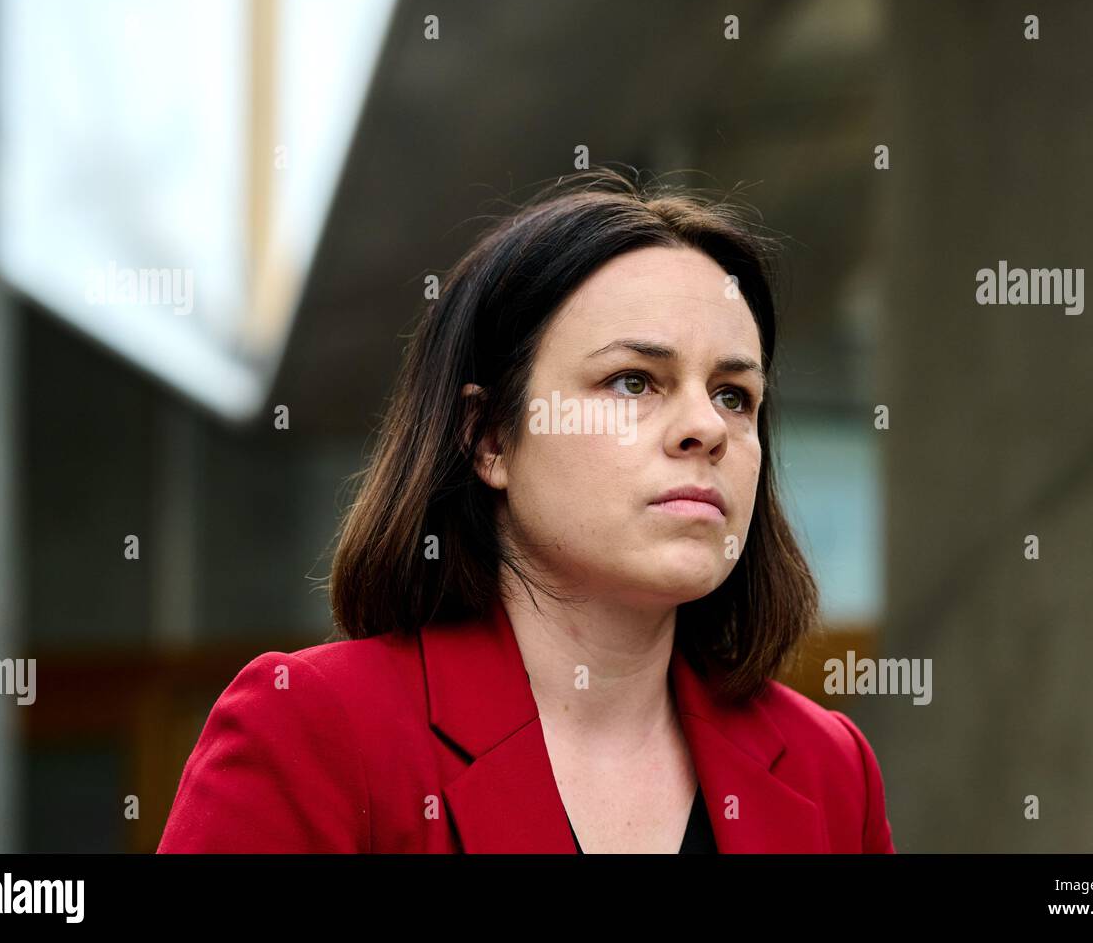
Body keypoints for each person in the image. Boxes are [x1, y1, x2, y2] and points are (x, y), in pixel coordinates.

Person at [157, 167, 895, 854]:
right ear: (490, 437)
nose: (705, 427)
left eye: (735, 394)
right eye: (634, 381)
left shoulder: (828, 770)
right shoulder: (313, 730)